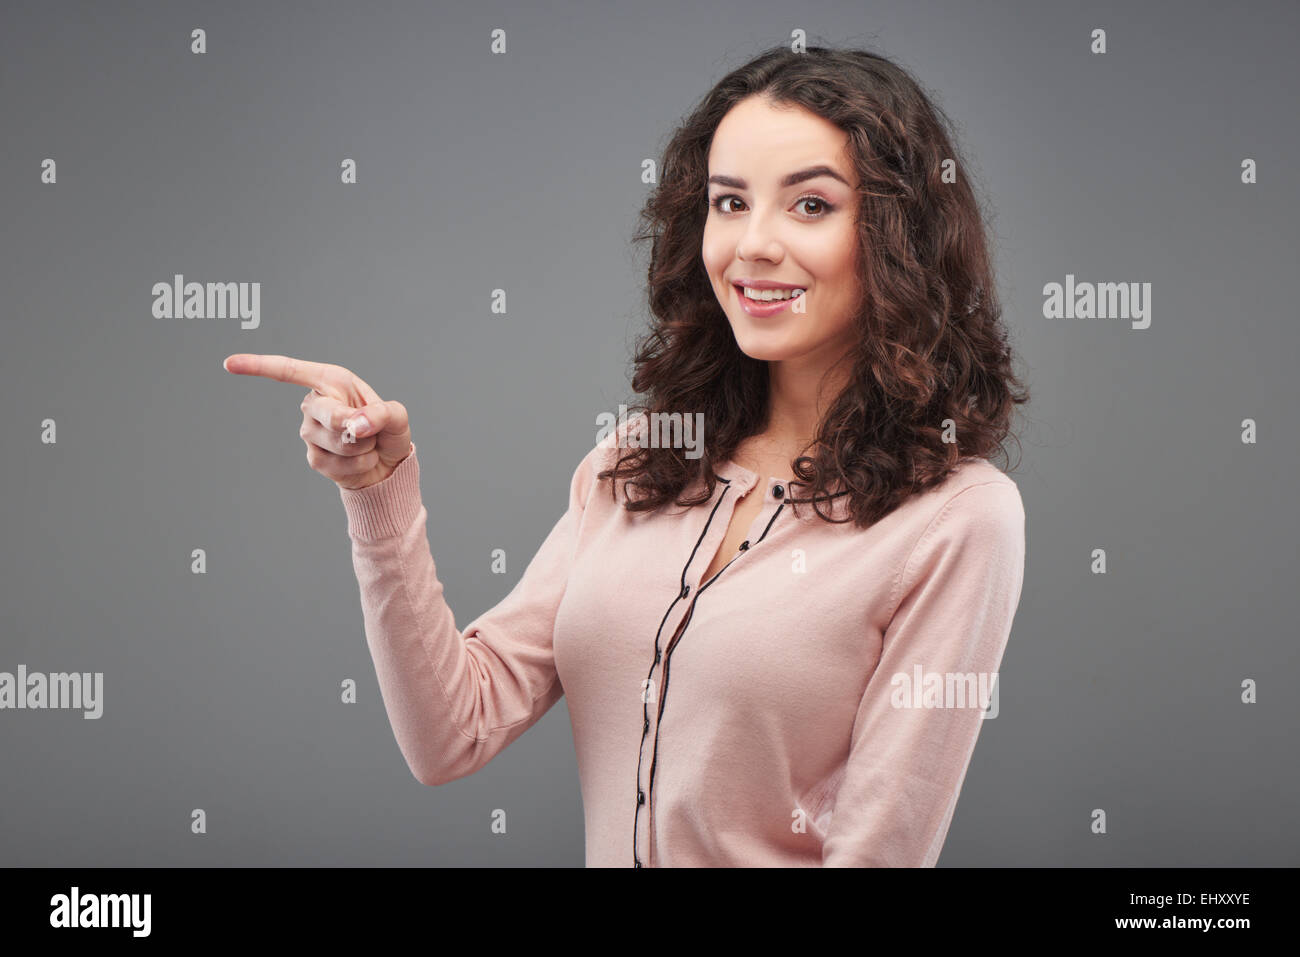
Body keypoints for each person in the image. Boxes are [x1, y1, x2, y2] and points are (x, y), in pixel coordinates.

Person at [224, 44, 1029, 867]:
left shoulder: (958, 518)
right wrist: (375, 488)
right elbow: (452, 731)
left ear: (899, 235)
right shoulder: (638, 459)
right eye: (729, 202)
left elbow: (877, 853)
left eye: (811, 205)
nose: (752, 244)